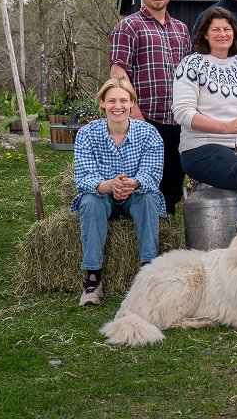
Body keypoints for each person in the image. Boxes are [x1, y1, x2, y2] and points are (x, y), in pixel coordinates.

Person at [71, 78, 165, 307]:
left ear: (132, 103)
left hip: (135, 193)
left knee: (149, 199)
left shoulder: (149, 133)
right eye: (111, 100)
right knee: (90, 201)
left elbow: (152, 174)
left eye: (124, 100)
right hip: (102, 193)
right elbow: (84, 178)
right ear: (102, 103)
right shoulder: (87, 133)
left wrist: (131, 184)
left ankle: (147, 275)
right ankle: (93, 281)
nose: (118, 106)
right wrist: (110, 185)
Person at [109, 0, 191, 215]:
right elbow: (118, 75)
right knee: (145, 183)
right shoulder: (129, 27)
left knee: (173, 185)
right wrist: (135, 116)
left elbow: (189, 75)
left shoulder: (181, 29)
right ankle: (146, 241)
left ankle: (166, 237)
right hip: (146, 120)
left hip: (178, 121)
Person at [172, 8, 237, 225]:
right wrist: (226, 127)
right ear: (205, 34)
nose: (222, 34)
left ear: (234, 33)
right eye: (215, 30)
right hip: (200, 149)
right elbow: (183, 113)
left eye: (227, 29)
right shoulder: (191, 64)